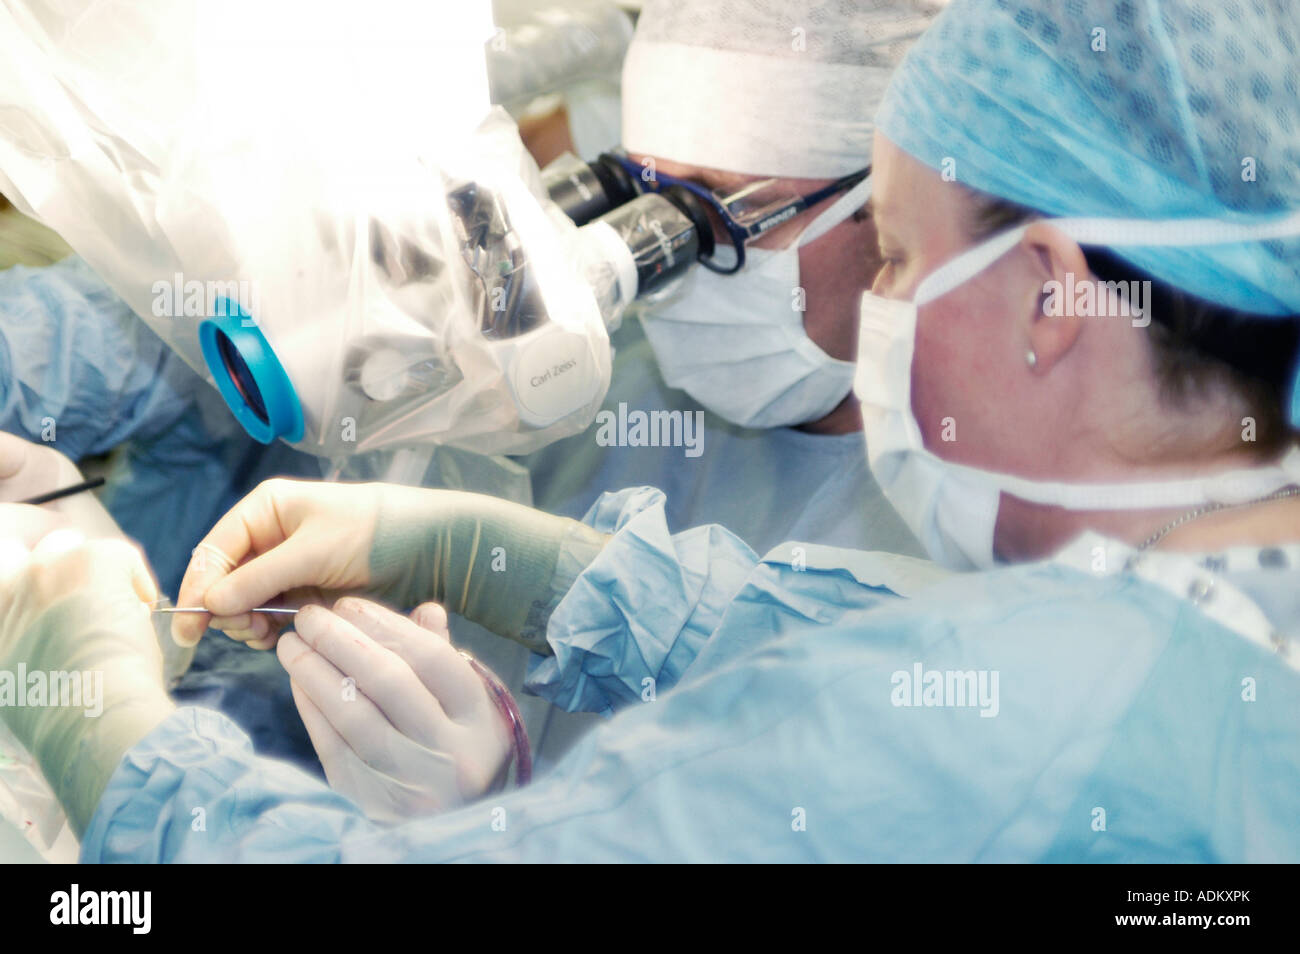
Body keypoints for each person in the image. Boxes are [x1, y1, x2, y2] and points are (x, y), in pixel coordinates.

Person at [9, 0, 1300, 862]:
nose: (894, 307)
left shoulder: (1029, 704)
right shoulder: (1212, 628)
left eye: (899, 254)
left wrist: (100, 710)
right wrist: (501, 559)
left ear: (1050, 298)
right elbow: (874, 645)